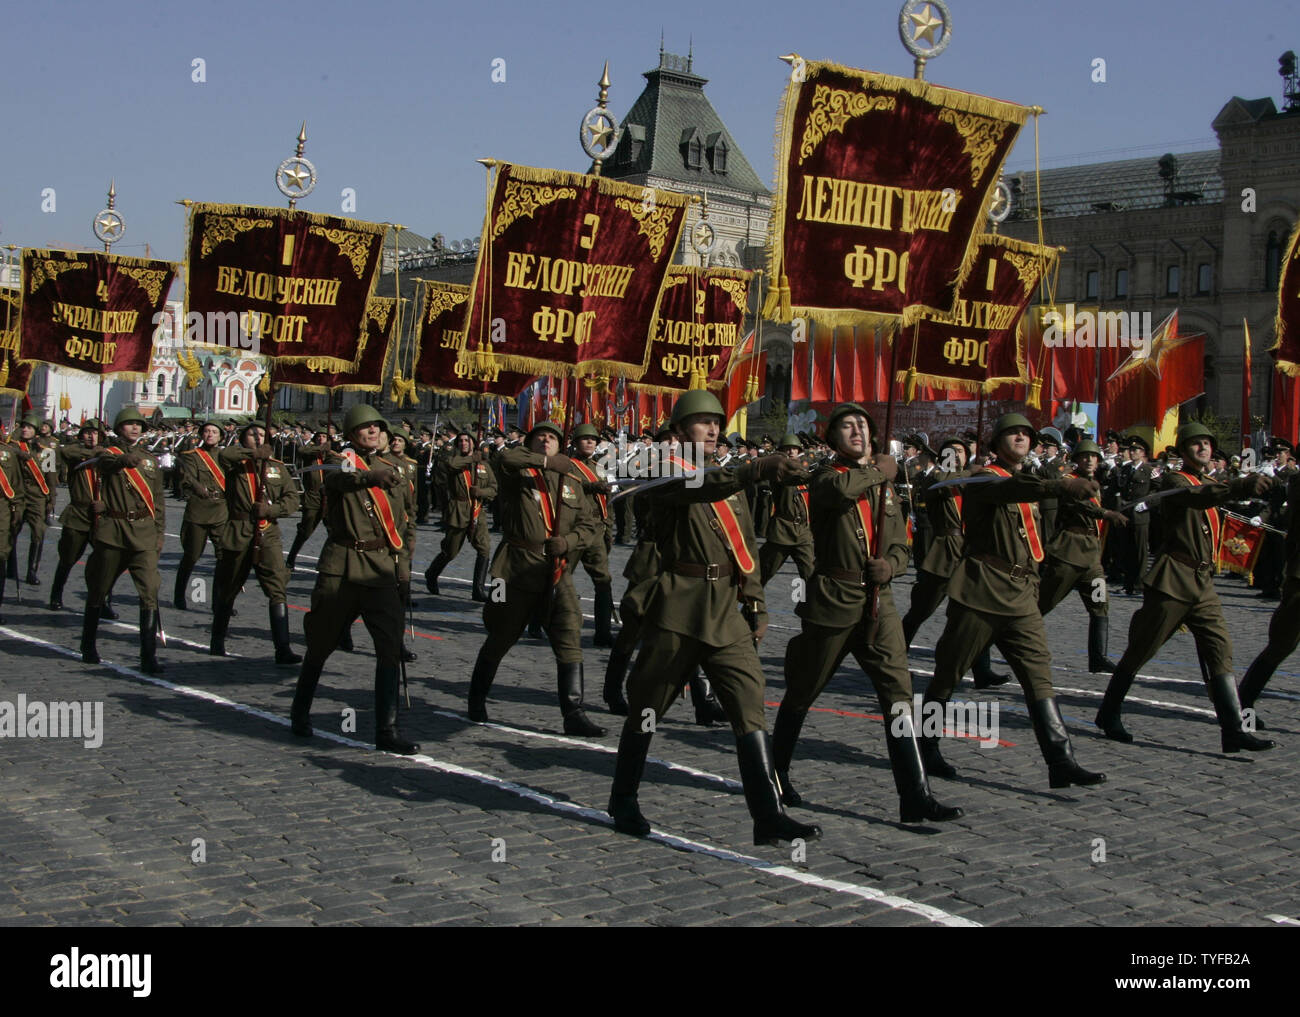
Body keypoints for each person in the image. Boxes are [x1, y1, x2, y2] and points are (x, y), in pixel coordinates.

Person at [606, 389, 821, 846]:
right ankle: (623, 797)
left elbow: (746, 548)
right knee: (647, 708)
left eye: (716, 422)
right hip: (677, 607)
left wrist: (757, 603)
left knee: (749, 705)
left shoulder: (726, 479)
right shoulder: (659, 467)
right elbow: (692, 489)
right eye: (702, 422)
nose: (713, 430)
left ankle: (768, 813)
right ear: (680, 430)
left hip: (726, 608)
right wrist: (751, 471)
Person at [772, 403, 962, 824]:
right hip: (834, 600)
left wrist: (891, 565)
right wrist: (881, 471)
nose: (856, 431)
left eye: (862, 425)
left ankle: (915, 796)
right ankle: (776, 775)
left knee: (898, 698)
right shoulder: (826, 476)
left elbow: (900, 543)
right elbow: (840, 494)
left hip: (881, 605)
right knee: (804, 690)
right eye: (846, 426)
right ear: (832, 437)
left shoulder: (886, 487)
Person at [922, 414, 1106, 789]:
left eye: (1026, 433)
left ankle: (1061, 759)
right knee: (948, 674)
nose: (1021, 437)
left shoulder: (1030, 480)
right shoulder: (985, 478)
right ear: (996, 443)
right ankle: (924, 747)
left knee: (1039, 675)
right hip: (983, 591)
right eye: (1012, 433)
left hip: (1023, 593)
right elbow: (1015, 490)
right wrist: (1060, 486)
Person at [1096, 422, 1275, 753]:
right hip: (1174, 580)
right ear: (1183, 450)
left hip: (1203, 584)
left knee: (1220, 651)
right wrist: (1240, 486)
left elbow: (1211, 496)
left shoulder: (1208, 480)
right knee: (1141, 650)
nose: (1203, 448)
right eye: (1195, 444)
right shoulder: (1176, 481)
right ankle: (1108, 712)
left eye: (1207, 443)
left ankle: (1233, 730)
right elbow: (1198, 497)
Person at [289, 404, 419, 754]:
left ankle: (386, 729)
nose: (371, 432)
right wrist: (366, 477)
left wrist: (404, 570)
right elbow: (337, 480)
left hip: (381, 568)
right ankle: (300, 711)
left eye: (375, 426)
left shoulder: (398, 469)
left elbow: (406, 524)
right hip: (343, 566)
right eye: (363, 428)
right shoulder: (343, 460)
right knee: (321, 643)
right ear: (352, 435)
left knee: (390, 649)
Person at [466, 421, 605, 736]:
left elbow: (588, 525)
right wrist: (544, 461)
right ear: (530, 443)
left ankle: (574, 712)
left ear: (561, 445)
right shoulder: (519, 472)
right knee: (502, 634)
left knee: (569, 635)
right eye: (540, 436)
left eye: (553, 437)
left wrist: (568, 543)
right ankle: (477, 698)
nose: (547, 439)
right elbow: (505, 459)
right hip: (516, 569)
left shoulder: (571, 481)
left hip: (556, 571)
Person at [901, 435, 1009, 688]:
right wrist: (973, 474)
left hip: (970, 552)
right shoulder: (937, 477)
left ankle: (982, 670)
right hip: (944, 553)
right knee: (920, 611)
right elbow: (937, 482)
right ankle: (894, 660)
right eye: (951, 452)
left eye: (961, 451)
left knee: (974, 612)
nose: (957, 456)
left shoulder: (972, 479)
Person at [79, 405, 167, 674]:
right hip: (114, 531)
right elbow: (102, 464)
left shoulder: (149, 460)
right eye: (129, 424)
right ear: (118, 428)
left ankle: (148, 655)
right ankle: (88, 644)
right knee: (99, 588)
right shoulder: (108, 454)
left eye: (139, 424)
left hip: (143, 532)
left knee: (150, 592)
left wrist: (159, 533)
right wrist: (120, 462)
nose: (135, 428)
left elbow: (159, 500)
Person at [209, 423, 301, 666]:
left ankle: (283, 648)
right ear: (243, 438)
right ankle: (217, 639)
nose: (258, 438)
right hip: (239, 531)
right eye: (252, 434)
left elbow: (292, 500)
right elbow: (224, 454)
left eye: (262, 435)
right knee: (229, 587)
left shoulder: (277, 468)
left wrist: (271, 509)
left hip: (267, 533)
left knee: (277, 588)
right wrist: (252, 454)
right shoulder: (235, 464)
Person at [1036, 439, 1129, 673]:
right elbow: (1081, 506)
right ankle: (1010, 638)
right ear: (1076, 460)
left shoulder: (1093, 483)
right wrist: (1105, 513)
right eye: (1084, 456)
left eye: (1094, 456)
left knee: (1100, 603)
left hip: (1091, 558)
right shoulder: (1069, 482)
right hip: (1069, 552)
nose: (1089, 460)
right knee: (1042, 604)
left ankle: (1098, 657)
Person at [47, 421, 118, 618]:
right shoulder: (74, 452)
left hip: (102, 517)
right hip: (78, 514)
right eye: (87, 433)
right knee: (68, 558)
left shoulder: (108, 455)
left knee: (105, 563)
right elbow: (65, 453)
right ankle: (56, 594)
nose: (91, 437)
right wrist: (96, 454)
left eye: (95, 434)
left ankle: (102, 602)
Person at [424, 431, 497, 602]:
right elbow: (450, 466)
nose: (464, 443)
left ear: (473, 443)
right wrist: (472, 459)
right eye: (461, 441)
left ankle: (478, 589)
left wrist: (482, 492)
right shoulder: (454, 459)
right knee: (450, 551)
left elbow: (494, 487)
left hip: (477, 509)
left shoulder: (484, 465)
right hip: (458, 509)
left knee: (484, 548)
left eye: (467, 440)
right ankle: (431, 573)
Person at [568, 422, 616, 646]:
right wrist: (591, 487)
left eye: (593, 440)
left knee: (603, 581)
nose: (589, 442)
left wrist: (609, 528)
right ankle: (540, 621)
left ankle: (603, 632)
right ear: (576, 442)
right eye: (585, 439)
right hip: (574, 529)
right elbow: (566, 490)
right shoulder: (567, 465)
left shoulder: (599, 467)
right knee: (559, 577)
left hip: (597, 529)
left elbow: (608, 500)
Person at [174, 421, 228, 611]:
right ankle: (179, 594)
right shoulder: (193, 456)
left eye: (214, 432)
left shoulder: (225, 456)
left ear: (221, 436)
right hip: (199, 510)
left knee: (223, 558)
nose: (210, 435)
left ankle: (219, 601)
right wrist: (198, 488)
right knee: (191, 555)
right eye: (206, 431)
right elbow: (187, 477)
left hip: (221, 509)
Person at [758, 433, 814, 588]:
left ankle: (810, 608)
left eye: (794, 449)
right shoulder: (779, 469)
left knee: (810, 574)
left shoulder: (803, 469)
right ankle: (751, 607)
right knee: (763, 573)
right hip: (782, 530)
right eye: (787, 449)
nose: (791, 452)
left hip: (802, 531)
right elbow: (794, 477)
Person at [7, 413, 54, 586]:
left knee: (38, 532)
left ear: (36, 431)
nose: (25, 430)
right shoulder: (13, 447)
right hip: (18, 494)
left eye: (30, 428)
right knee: (12, 530)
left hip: (37, 496)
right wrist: (19, 453)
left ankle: (32, 571)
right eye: (24, 427)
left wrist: (51, 500)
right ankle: (10, 567)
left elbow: (50, 478)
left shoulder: (46, 451)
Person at [285, 431, 330, 570]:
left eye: (324, 437)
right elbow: (301, 450)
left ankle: (329, 562)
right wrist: (320, 449)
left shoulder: (332, 454)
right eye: (319, 437)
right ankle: (291, 558)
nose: (321, 439)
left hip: (329, 497)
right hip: (313, 496)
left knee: (334, 532)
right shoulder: (311, 452)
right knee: (305, 530)